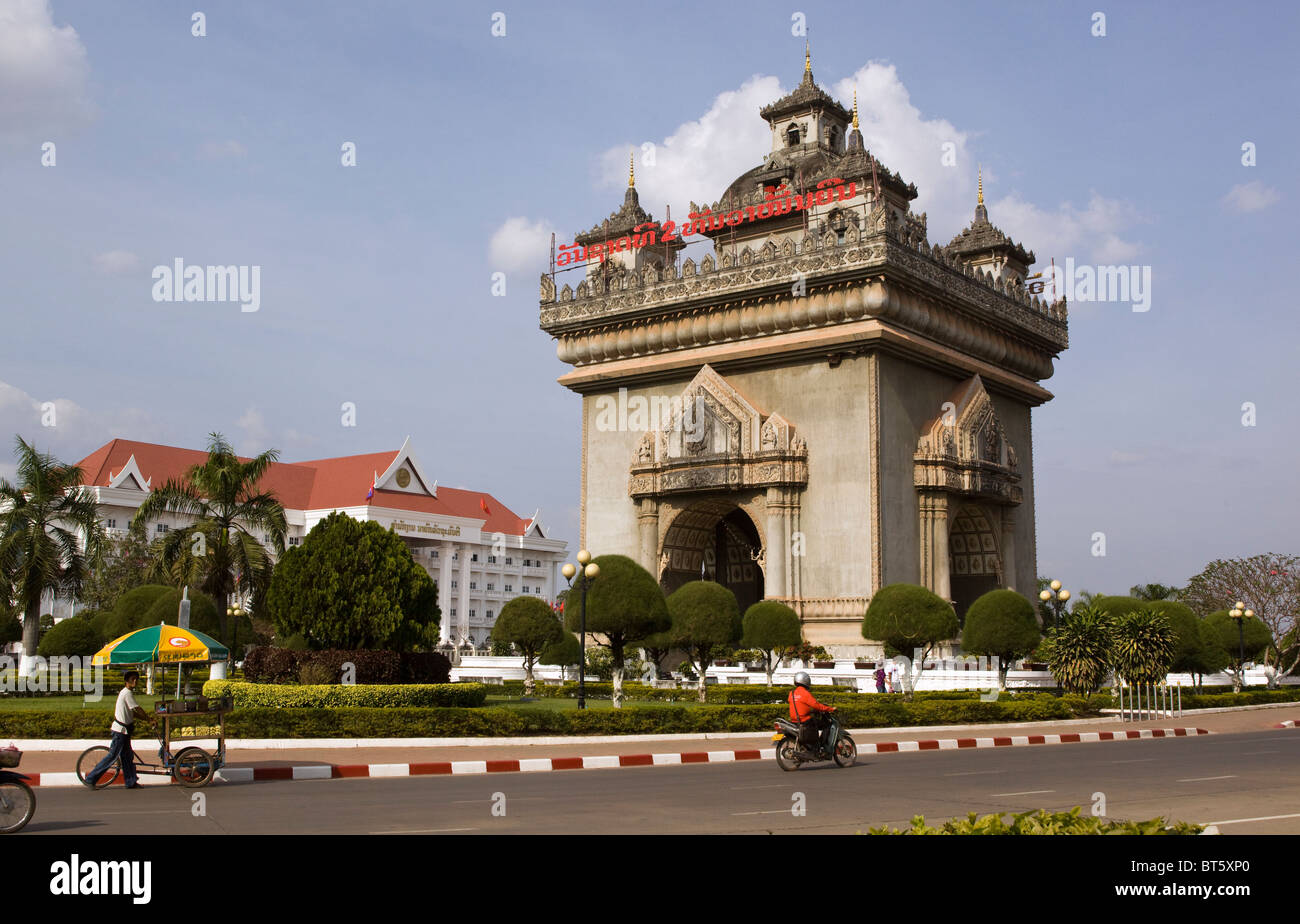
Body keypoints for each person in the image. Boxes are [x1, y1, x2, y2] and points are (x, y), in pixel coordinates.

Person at [85, 670, 151, 789]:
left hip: (125, 731)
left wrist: (147, 720)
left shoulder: (127, 693)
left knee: (127, 756)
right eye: (132, 679)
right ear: (127, 681)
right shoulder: (127, 693)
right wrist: (149, 719)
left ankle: (130, 781)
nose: (135, 681)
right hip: (120, 731)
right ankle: (91, 779)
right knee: (112, 756)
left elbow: (132, 713)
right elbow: (137, 709)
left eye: (136, 679)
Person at [788, 671, 835, 755]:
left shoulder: (791, 693)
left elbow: (799, 705)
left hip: (794, 720)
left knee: (815, 721)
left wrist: (809, 710)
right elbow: (816, 705)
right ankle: (821, 746)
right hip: (804, 720)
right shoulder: (805, 693)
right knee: (826, 724)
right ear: (806, 681)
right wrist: (829, 709)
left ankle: (812, 746)